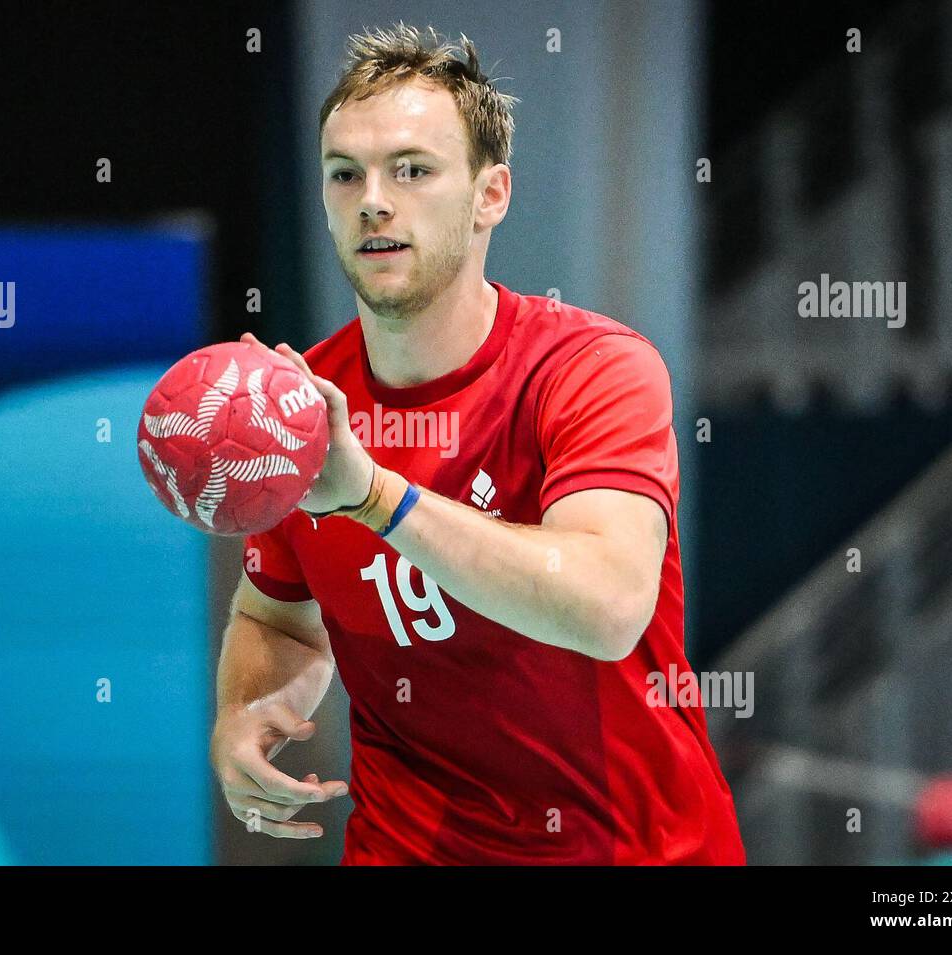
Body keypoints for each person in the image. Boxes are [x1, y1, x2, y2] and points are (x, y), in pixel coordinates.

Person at [210, 22, 745, 864]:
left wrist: (373, 495)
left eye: (412, 170)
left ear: (491, 194)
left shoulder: (592, 369)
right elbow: (276, 617)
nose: (373, 200)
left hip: (630, 848)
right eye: (344, 174)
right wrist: (245, 707)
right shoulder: (298, 408)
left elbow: (606, 606)